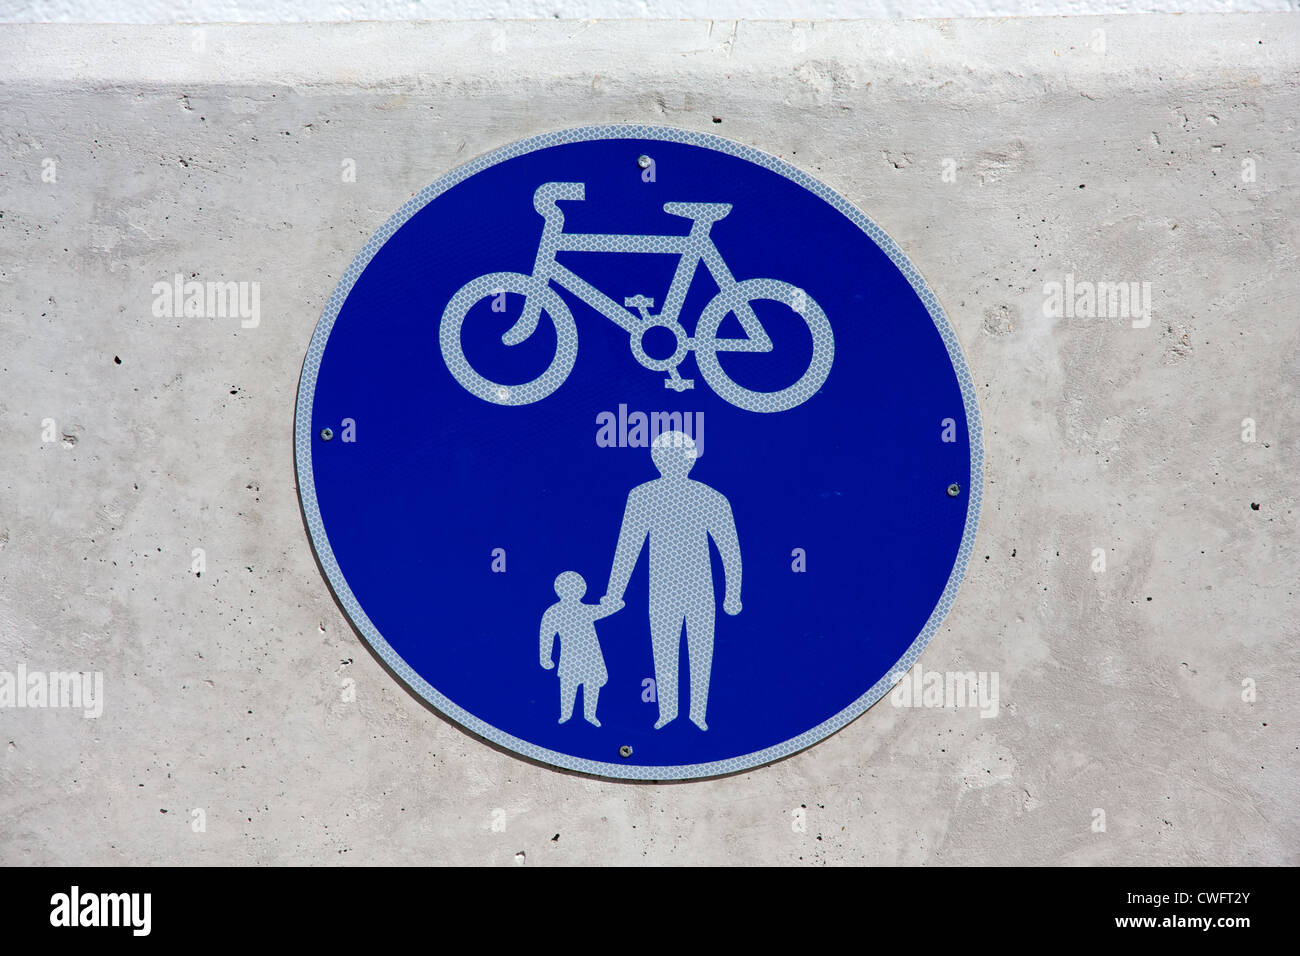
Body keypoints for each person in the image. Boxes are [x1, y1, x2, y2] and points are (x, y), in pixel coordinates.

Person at [602, 430, 741, 731]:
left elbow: (730, 551)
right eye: (667, 456)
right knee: (664, 652)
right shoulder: (643, 496)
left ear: (691, 460)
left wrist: (733, 594)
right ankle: (667, 712)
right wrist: (614, 593)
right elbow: (627, 548)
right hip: (663, 590)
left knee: (701, 652)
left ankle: (698, 713)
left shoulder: (710, 498)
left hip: (700, 590)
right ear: (657, 460)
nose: (673, 462)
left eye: (680, 456)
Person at [540, 571, 622, 726]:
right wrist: (545, 657)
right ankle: (566, 714)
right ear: (559, 590)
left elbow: (604, 610)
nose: (573, 591)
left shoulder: (585, 609)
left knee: (592, 684)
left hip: (591, 655)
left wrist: (615, 604)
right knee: (568, 684)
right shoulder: (554, 612)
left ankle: (590, 715)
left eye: (577, 587)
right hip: (570, 657)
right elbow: (546, 635)